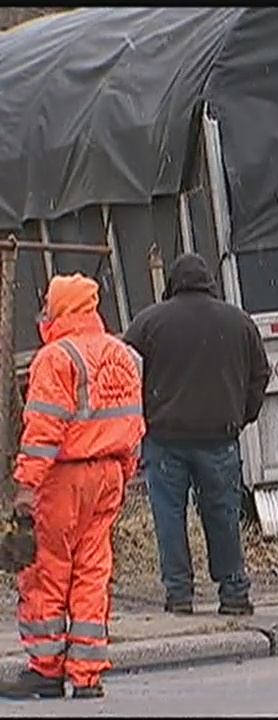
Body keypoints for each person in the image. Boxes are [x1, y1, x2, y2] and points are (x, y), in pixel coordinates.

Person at [0, 274, 145, 700]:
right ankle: (86, 674)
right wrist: (124, 470)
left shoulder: (56, 357)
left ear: (61, 308)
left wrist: (26, 486)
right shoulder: (125, 356)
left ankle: (45, 668)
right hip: (110, 475)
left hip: (64, 478)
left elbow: (44, 427)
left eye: (47, 304)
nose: (42, 311)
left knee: (47, 570)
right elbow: (134, 423)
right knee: (92, 572)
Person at [123, 253, 268, 617]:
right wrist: (241, 414)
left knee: (169, 518)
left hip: (164, 439)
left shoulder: (149, 322)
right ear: (209, 282)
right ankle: (233, 592)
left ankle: (179, 594)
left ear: (172, 282)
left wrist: (143, 416)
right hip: (220, 438)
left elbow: (123, 372)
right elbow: (259, 375)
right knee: (223, 516)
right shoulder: (239, 322)